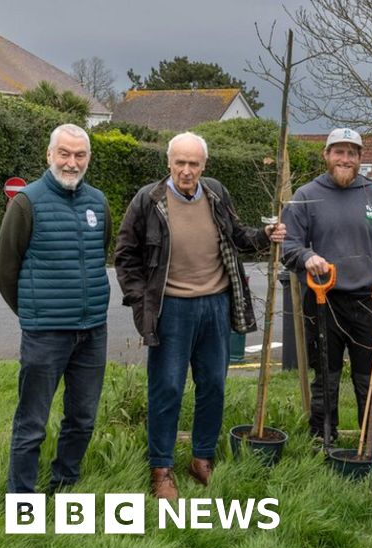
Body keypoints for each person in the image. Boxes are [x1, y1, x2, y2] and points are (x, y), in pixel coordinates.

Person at [115, 132, 285, 499]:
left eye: (194, 163)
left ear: (204, 165)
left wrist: (265, 235)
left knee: (213, 385)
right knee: (168, 387)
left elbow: (237, 236)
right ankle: (161, 468)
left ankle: (201, 458)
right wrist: (140, 301)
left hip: (215, 305)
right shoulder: (148, 200)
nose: (187, 171)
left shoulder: (216, 193)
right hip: (171, 308)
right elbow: (125, 257)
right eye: (181, 162)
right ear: (169, 163)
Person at [0, 124, 110, 494]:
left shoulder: (98, 203)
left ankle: (64, 484)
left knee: (82, 418)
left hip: (92, 332)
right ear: (49, 155)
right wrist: (34, 311)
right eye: (64, 153)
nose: (71, 162)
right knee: (32, 422)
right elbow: (4, 271)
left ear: (88, 158)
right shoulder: (26, 203)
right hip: (45, 334)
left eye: (79, 155)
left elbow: (99, 253)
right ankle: (22, 498)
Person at [282, 127, 372, 445]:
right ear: (326, 155)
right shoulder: (305, 196)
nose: (345, 158)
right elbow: (289, 246)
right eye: (338, 152)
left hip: (369, 301)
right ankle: (322, 438)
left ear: (359, 158)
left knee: (368, 378)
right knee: (325, 377)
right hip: (322, 300)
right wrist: (307, 255)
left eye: (351, 153)